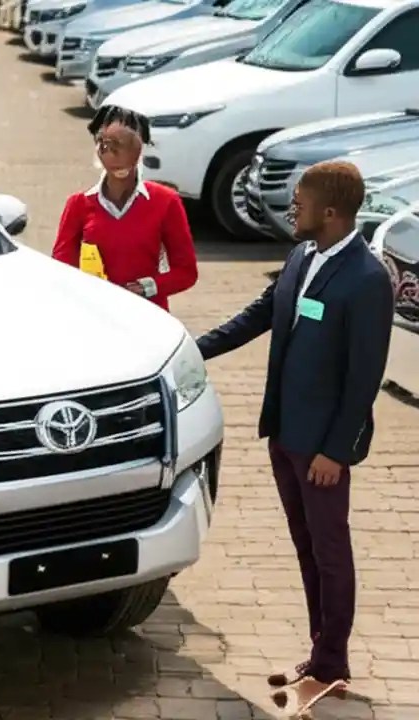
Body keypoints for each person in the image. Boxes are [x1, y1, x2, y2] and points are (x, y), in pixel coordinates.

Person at [195, 160, 395, 714]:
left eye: (299, 204)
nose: (291, 211)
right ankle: (321, 651)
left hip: (322, 446)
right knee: (306, 546)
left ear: (330, 213)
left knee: (331, 550)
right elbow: (260, 313)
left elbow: (364, 379)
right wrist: (193, 348)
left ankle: (333, 661)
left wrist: (335, 449)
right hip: (284, 433)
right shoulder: (302, 256)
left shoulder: (366, 280)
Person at [52, 105, 198, 312]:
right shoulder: (78, 205)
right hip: (96, 313)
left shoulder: (166, 201)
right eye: (106, 145)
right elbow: (62, 269)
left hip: (148, 313)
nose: (116, 156)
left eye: (126, 145)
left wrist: (149, 287)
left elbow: (186, 272)